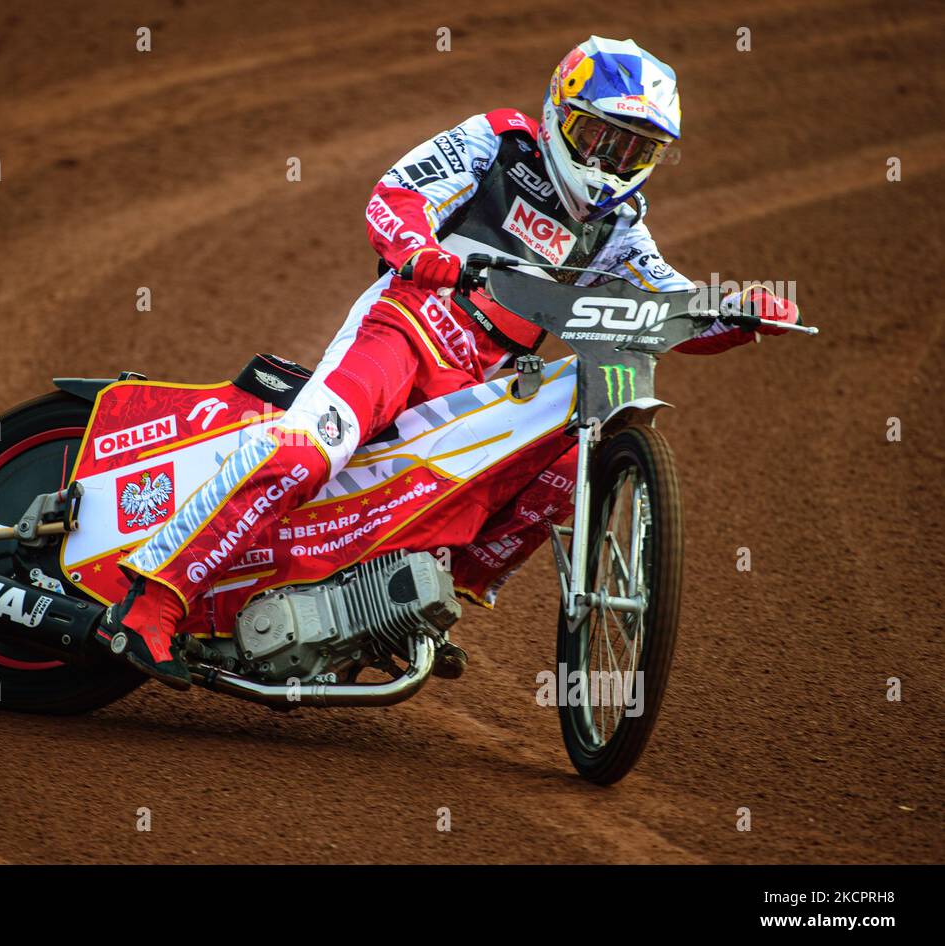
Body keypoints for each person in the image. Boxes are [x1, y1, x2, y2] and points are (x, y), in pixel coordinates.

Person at [95, 35, 800, 689]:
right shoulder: (498, 140)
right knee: (309, 452)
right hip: (405, 329)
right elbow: (393, 196)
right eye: (599, 137)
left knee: (565, 461)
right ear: (561, 113)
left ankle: (416, 596)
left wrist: (736, 309)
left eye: (633, 148)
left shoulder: (618, 227)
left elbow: (666, 303)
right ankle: (151, 600)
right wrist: (423, 254)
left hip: (483, 382)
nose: (610, 161)